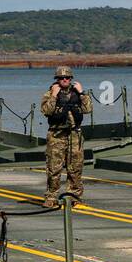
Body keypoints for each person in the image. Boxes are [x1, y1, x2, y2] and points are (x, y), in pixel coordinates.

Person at [39, 65, 92, 207]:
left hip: (74, 134)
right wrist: (55, 95)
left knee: (75, 167)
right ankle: (51, 196)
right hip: (57, 135)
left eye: (67, 77)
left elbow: (88, 109)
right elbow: (46, 111)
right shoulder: (49, 94)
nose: (64, 80)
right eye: (61, 78)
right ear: (57, 79)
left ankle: (74, 196)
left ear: (71, 79)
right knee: (53, 167)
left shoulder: (77, 93)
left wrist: (82, 93)